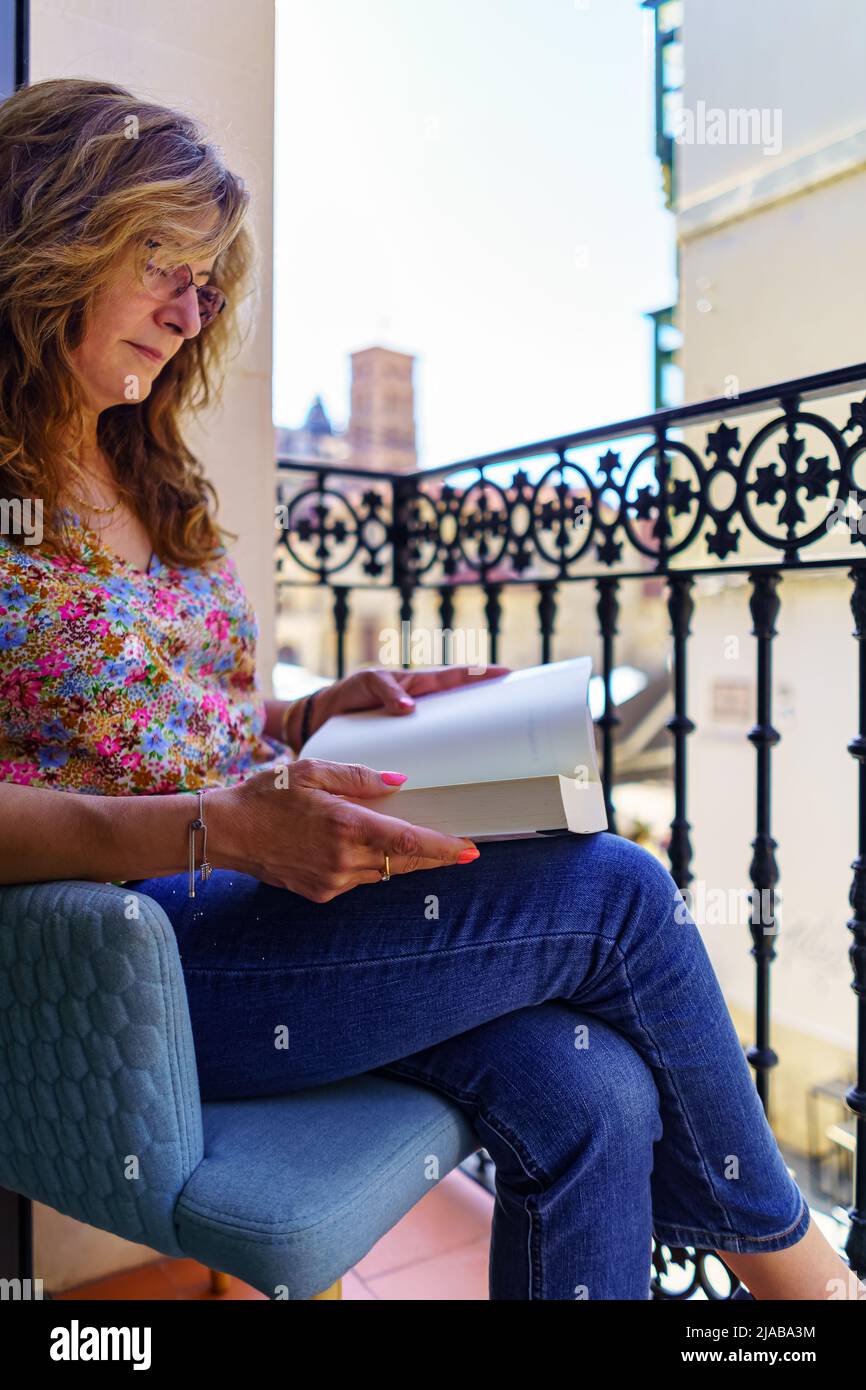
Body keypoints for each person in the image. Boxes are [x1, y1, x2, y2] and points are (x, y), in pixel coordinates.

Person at [0, 77, 862, 1303]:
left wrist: (311, 714)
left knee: (594, 1091)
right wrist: (216, 822)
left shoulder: (136, 457)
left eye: (210, 283)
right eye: (164, 264)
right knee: (613, 890)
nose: (193, 313)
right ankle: (808, 1291)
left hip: (232, 898)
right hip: (118, 965)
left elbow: (141, 714)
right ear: (55, 229)